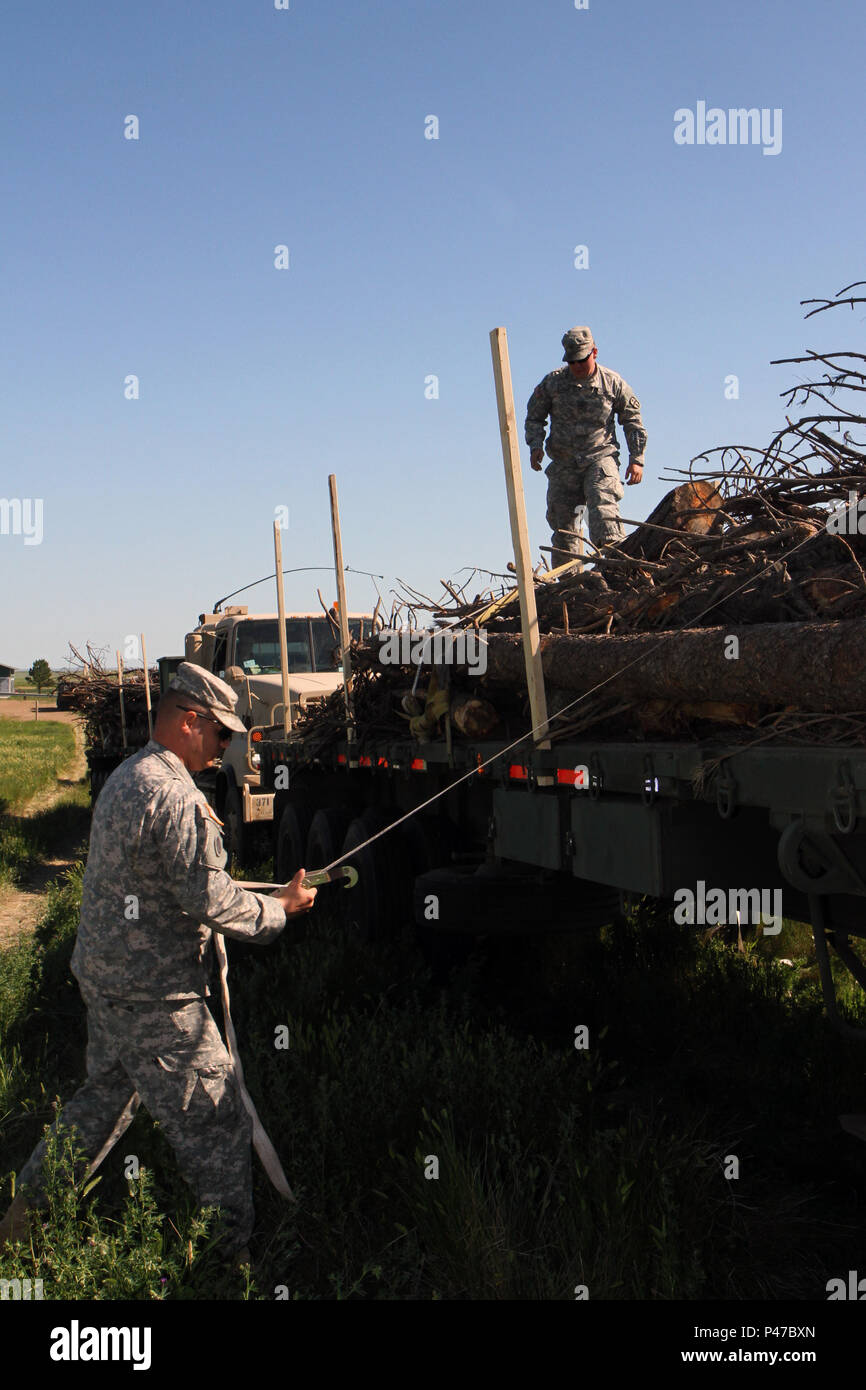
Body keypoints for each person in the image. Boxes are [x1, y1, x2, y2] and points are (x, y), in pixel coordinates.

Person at [0, 663, 316, 1262]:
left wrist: (258, 895)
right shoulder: (176, 795)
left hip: (107, 979)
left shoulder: (128, 775)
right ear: (188, 721)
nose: (226, 749)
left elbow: (171, 884)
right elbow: (210, 898)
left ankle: (20, 1228)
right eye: (222, 735)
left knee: (99, 1105)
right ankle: (228, 1264)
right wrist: (282, 910)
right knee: (218, 1120)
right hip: (156, 997)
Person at [525, 325, 648, 562]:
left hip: (599, 457)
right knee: (563, 528)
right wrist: (535, 446)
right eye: (572, 362)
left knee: (603, 511)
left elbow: (633, 422)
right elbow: (534, 417)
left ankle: (613, 567)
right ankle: (568, 587)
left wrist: (637, 460)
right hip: (564, 464)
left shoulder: (613, 383)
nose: (577, 366)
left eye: (582, 360)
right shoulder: (553, 383)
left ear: (594, 352)